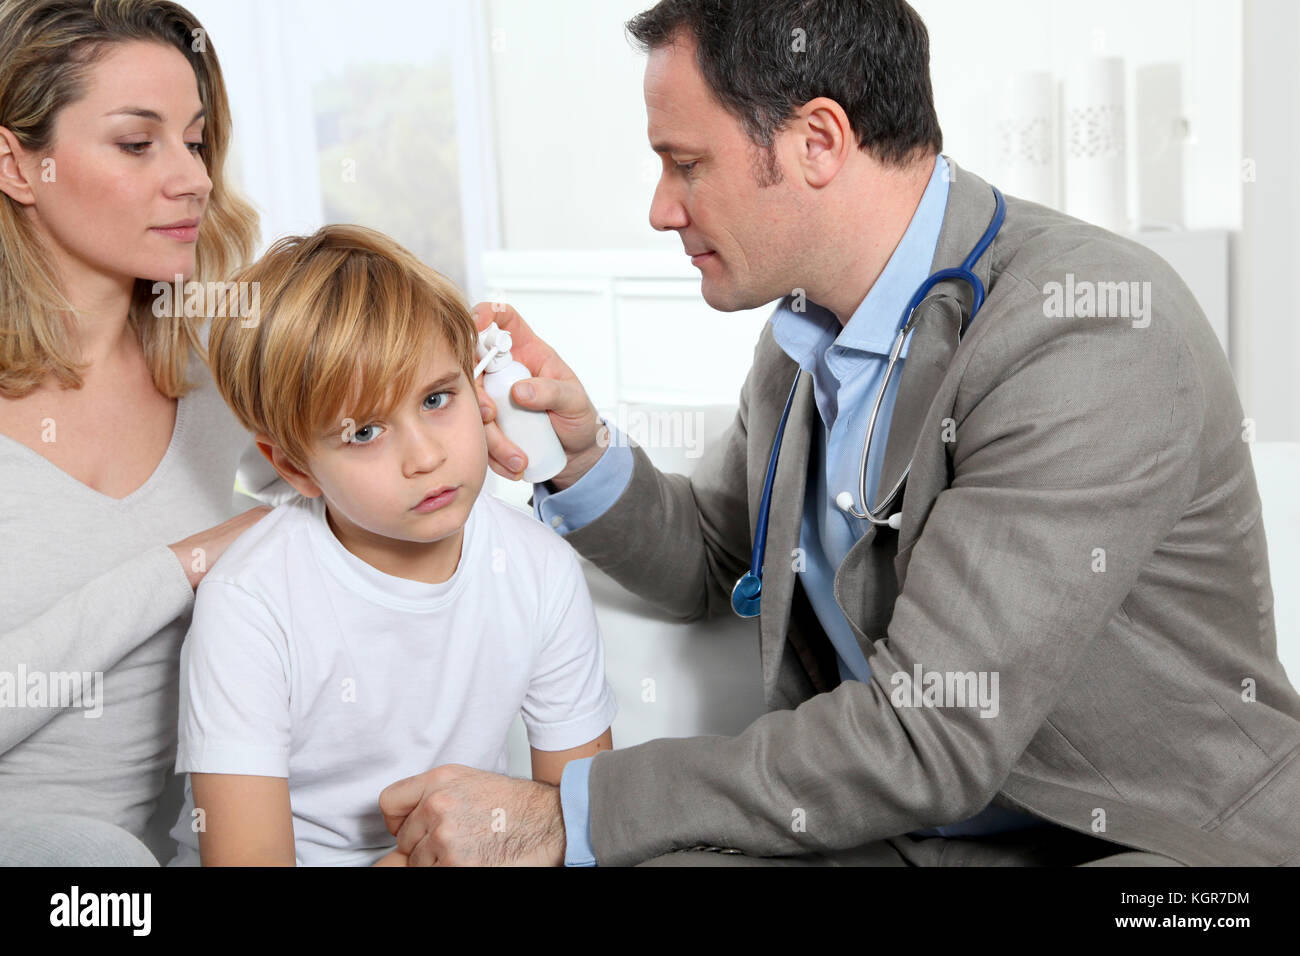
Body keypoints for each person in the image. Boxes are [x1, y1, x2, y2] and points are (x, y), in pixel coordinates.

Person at [382, 0, 1300, 867]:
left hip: (1165, 856)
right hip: (913, 836)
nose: (662, 208)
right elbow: (716, 556)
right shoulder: (804, 341)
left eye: (685, 163)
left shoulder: (1087, 331)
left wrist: (568, 809)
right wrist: (578, 457)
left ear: (818, 140)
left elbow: (925, 731)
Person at [165, 224, 617, 866]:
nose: (426, 456)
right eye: (365, 431)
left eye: (438, 398)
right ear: (293, 466)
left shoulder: (539, 568)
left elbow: (577, 823)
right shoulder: (249, 602)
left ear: (477, 389)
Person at [0, 0, 286, 865]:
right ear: (17, 165)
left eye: (195, 141)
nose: (193, 177)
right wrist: (185, 562)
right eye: (137, 143)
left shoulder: (219, 385)